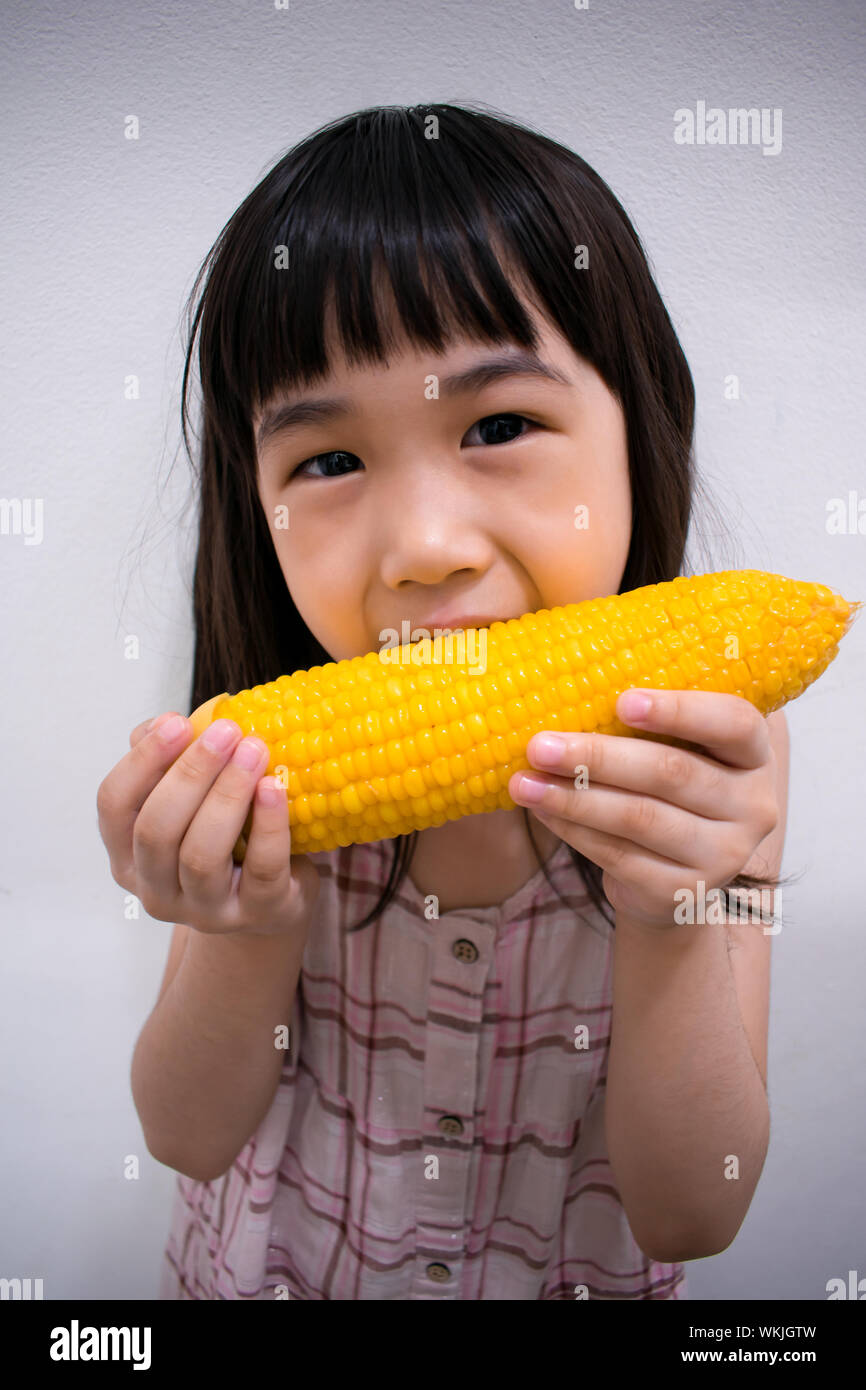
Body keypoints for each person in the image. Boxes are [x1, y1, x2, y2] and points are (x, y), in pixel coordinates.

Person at [97, 102, 789, 1299]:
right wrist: (241, 922)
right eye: (326, 460)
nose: (422, 546)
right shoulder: (257, 776)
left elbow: (694, 1208)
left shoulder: (714, 760)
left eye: (500, 424)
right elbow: (185, 1136)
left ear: (639, 431)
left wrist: (673, 925)